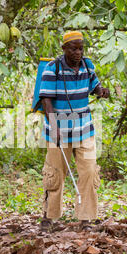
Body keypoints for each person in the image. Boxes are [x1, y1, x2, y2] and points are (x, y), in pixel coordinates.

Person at [38, 31, 110, 232]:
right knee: (55, 173)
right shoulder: (53, 69)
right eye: (73, 48)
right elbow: (46, 100)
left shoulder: (88, 65)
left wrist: (101, 91)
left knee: (89, 172)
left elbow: (94, 85)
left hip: (84, 130)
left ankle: (86, 218)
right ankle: (49, 217)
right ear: (64, 49)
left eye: (81, 48)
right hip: (58, 130)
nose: (78, 52)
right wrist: (55, 128)